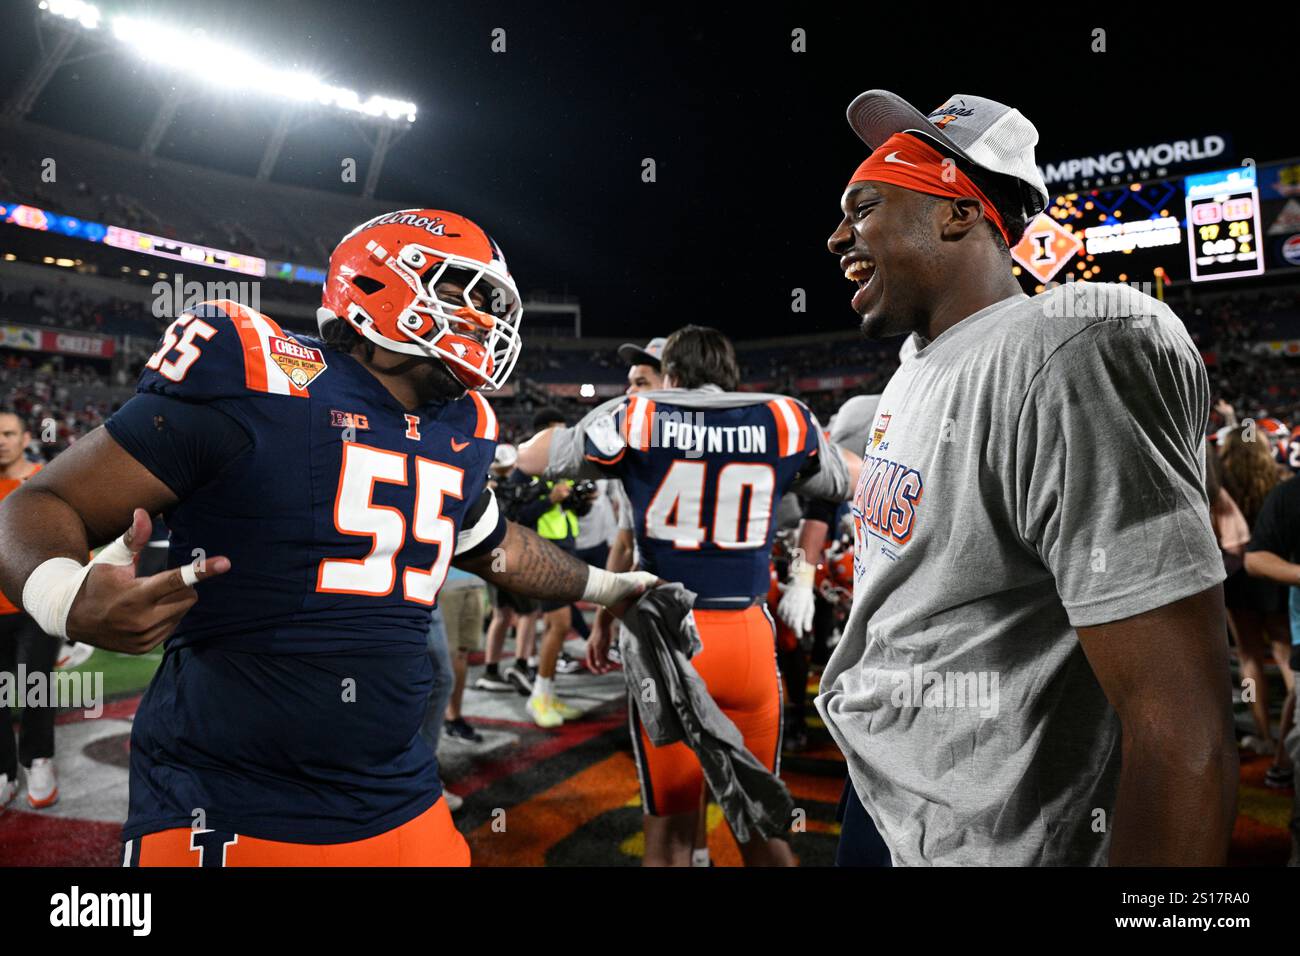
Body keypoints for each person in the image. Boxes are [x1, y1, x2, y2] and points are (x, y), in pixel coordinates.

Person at [0, 208, 657, 866]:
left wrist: (613, 588)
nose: (485, 320)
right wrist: (69, 598)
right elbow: (41, 501)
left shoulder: (464, 424)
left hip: (403, 794)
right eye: (464, 294)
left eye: (491, 304)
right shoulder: (257, 371)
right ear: (378, 286)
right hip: (231, 799)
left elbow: (499, 546)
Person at [818, 89, 1234, 865]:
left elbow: (1182, 727)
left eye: (864, 205)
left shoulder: (1073, 342)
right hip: (886, 788)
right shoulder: (919, 365)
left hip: (983, 840)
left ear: (957, 214)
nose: (838, 234)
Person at [518, 324, 849, 866]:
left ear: (670, 373)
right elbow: (845, 484)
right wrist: (806, 573)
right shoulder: (785, 418)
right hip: (746, 639)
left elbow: (534, 458)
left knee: (668, 837)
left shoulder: (638, 416)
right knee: (762, 830)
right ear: (730, 373)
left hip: (669, 642)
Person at [506, 408, 594, 727]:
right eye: (556, 433)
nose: (562, 440)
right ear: (540, 435)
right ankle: (539, 696)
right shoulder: (524, 470)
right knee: (558, 624)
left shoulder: (560, 468)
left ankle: (547, 691)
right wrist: (551, 500)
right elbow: (514, 516)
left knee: (562, 625)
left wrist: (582, 501)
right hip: (543, 554)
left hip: (564, 550)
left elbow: (574, 513)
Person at [1220, 424, 1295, 759]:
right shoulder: (1276, 481)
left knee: (1250, 657)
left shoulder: (1224, 484)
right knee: (1285, 656)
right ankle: (1290, 736)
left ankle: (1265, 734)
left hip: (1238, 578)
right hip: (1275, 572)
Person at [0, 411, 59, 810]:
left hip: (37, 601)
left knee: (35, 682)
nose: (1, 440)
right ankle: (3, 771)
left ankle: (37, 759)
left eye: (8, 433)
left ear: (24, 438)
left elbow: (67, 537)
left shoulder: (44, 480)